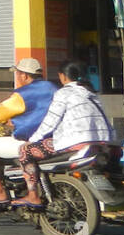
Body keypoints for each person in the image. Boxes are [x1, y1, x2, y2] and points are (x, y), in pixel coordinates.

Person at [15, 61, 114, 208]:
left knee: (25, 150)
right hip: (102, 141)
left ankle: (32, 195)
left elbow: (51, 121)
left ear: (62, 76)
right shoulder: (92, 93)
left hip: (76, 142)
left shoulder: (64, 93)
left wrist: (32, 140)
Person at [0, 57, 59, 205]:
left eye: (17, 73)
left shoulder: (23, 94)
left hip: (29, 141)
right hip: (53, 140)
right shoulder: (53, 88)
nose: (16, 77)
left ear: (24, 75)